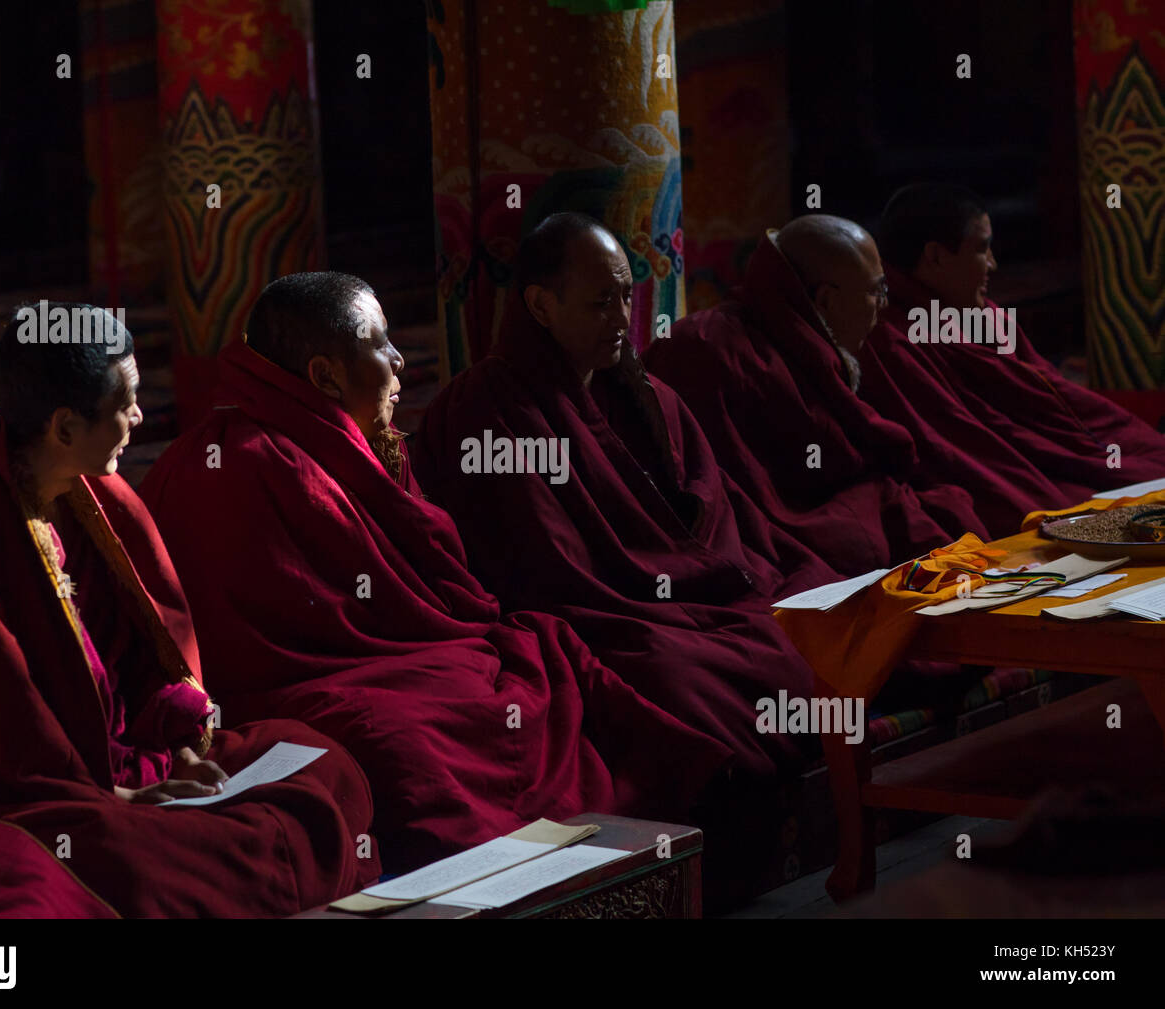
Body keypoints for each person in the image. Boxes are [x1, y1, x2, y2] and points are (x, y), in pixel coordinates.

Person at [140, 273, 733, 874]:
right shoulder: (249, 465)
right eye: (380, 343)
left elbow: (424, 594)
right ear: (324, 376)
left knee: (537, 670)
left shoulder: (329, 441)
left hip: (393, 657)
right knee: (416, 740)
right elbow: (306, 639)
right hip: (299, 684)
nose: (400, 360)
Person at [0, 304, 378, 917]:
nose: (141, 414)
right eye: (127, 400)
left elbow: (144, 655)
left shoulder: (93, 495)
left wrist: (176, 740)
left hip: (131, 754)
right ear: (63, 427)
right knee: (156, 864)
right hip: (43, 790)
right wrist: (121, 796)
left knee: (324, 766)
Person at [413, 213, 832, 902]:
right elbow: (543, 562)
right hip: (594, 615)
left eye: (626, 296)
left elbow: (711, 505)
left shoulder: (637, 392)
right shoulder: (485, 409)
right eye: (599, 302)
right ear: (541, 306)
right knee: (676, 675)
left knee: (786, 635)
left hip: (676, 600)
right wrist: (665, 596)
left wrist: (698, 580)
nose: (621, 317)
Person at [645, 215, 986, 572]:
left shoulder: (786, 340)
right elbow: (778, 499)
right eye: (876, 291)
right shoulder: (719, 351)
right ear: (824, 300)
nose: (883, 305)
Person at [861, 183, 1165, 529]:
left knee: (1145, 466)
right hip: (1005, 482)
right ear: (934, 256)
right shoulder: (887, 340)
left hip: (1056, 463)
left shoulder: (985, 320)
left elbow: (1059, 405)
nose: (993, 263)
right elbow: (955, 450)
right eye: (982, 249)